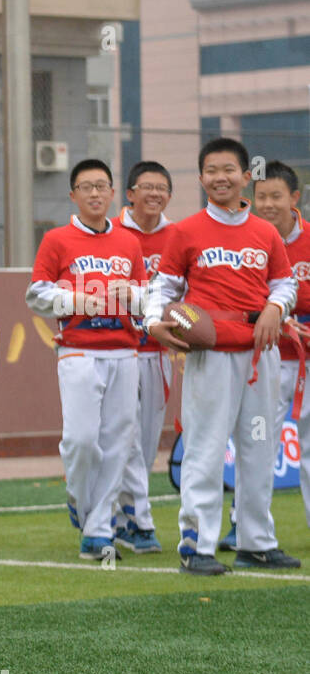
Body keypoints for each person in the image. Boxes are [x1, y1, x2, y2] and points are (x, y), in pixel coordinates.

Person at [143, 137, 300, 574]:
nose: (220, 177)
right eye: (211, 170)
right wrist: (152, 321)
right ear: (201, 178)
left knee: (259, 447)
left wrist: (275, 307)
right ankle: (196, 547)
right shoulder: (186, 231)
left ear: (246, 176)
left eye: (229, 169)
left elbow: (284, 283)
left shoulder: (265, 232)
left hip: (259, 356)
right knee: (206, 449)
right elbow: (163, 286)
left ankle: (256, 542)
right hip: (210, 356)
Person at [26, 158, 147, 561]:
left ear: (113, 193)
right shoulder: (57, 240)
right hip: (78, 349)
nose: (95, 193)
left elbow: (147, 298)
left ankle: (97, 531)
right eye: (86, 187)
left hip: (125, 350)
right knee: (80, 440)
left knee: (118, 441)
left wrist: (135, 296)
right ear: (73, 195)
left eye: (101, 186)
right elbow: (36, 295)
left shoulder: (129, 243)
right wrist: (76, 300)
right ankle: (81, 502)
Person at [113, 160, 175, 555]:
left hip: (159, 354)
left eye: (161, 188)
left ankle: (119, 518)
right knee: (126, 437)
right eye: (146, 187)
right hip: (117, 350)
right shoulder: (110, 233)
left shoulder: (178, 236)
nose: (154, 194)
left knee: (147, 443)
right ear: (130, 193)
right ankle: (138, 520)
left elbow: (186, 294)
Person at [251, 161, 310, 528]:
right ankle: (246, 526)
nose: (268, 204)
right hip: (266, 357)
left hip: (307, 361)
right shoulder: (248, 242)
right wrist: (278, 320)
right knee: (258, 441)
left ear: (294, 198)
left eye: (276, 196)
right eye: (261, 197)